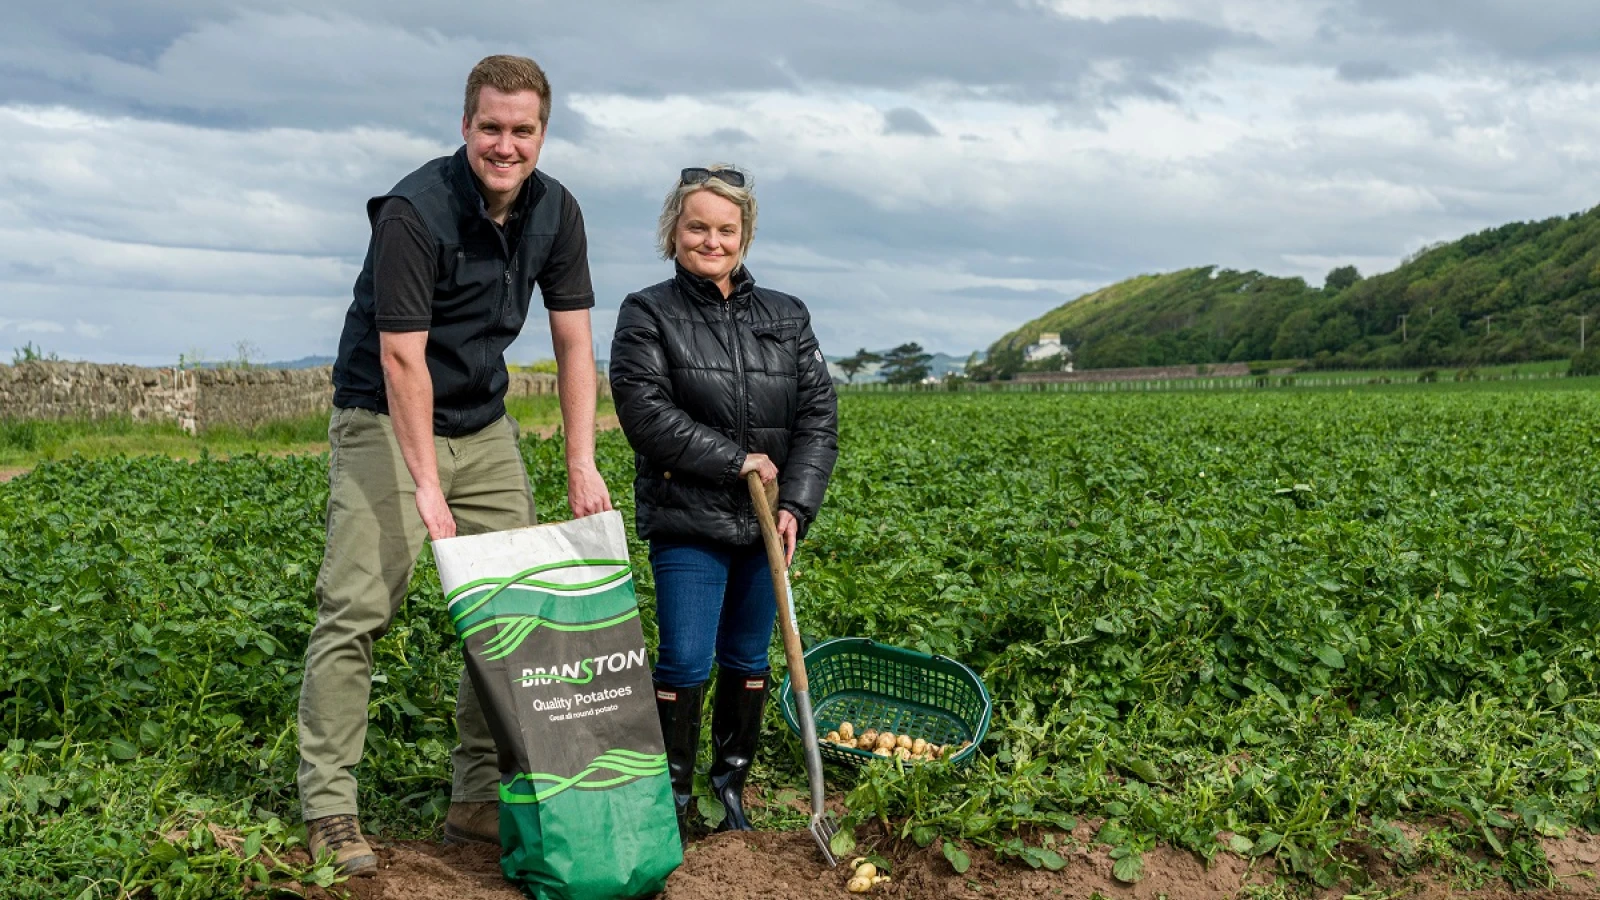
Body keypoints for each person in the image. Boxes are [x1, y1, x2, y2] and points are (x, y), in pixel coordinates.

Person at [297, 54, 611, 878]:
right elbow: (402, 361)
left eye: (523, 130)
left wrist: (581, 460)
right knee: (358, 608)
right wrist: (426, 489)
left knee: (509, 615)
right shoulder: (415, 212)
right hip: (384, 416)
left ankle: (475, 799)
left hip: (483, 422)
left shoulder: (557, 211)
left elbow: (574, 342)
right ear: (465, 124)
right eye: (490, 127)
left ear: (543, 132)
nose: (505, 145)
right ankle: (330, 808)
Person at [608, 165, 839, 843]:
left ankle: (727, 790)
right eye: (697, 226)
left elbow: (817, 420)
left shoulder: (787, 316)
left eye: (726, 229)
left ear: (745, 235)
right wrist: (736, 461)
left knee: (747, 659)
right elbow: (644, 413)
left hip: (768, 525)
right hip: (689, 520)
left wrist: (796, 502)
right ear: (673, 232)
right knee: (683, 659)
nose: (712, 240)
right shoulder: (648, 312)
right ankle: (674, 801)